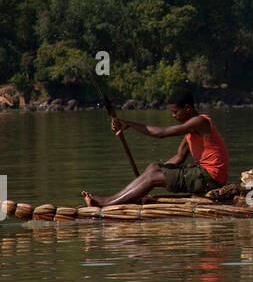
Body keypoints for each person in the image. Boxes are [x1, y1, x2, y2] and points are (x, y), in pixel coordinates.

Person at [82, 88, 229, 207]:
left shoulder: (200, 121)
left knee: (153, 177)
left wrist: (129, 124)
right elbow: (179, 157)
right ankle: (111, 199)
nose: (173, 115)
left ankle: (106, 204)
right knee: (153, 168)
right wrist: (155, 172)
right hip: (203, 174)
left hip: (211, 178)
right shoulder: (191, 130)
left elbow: (162, 133)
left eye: (175, 112)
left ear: (188, 109)